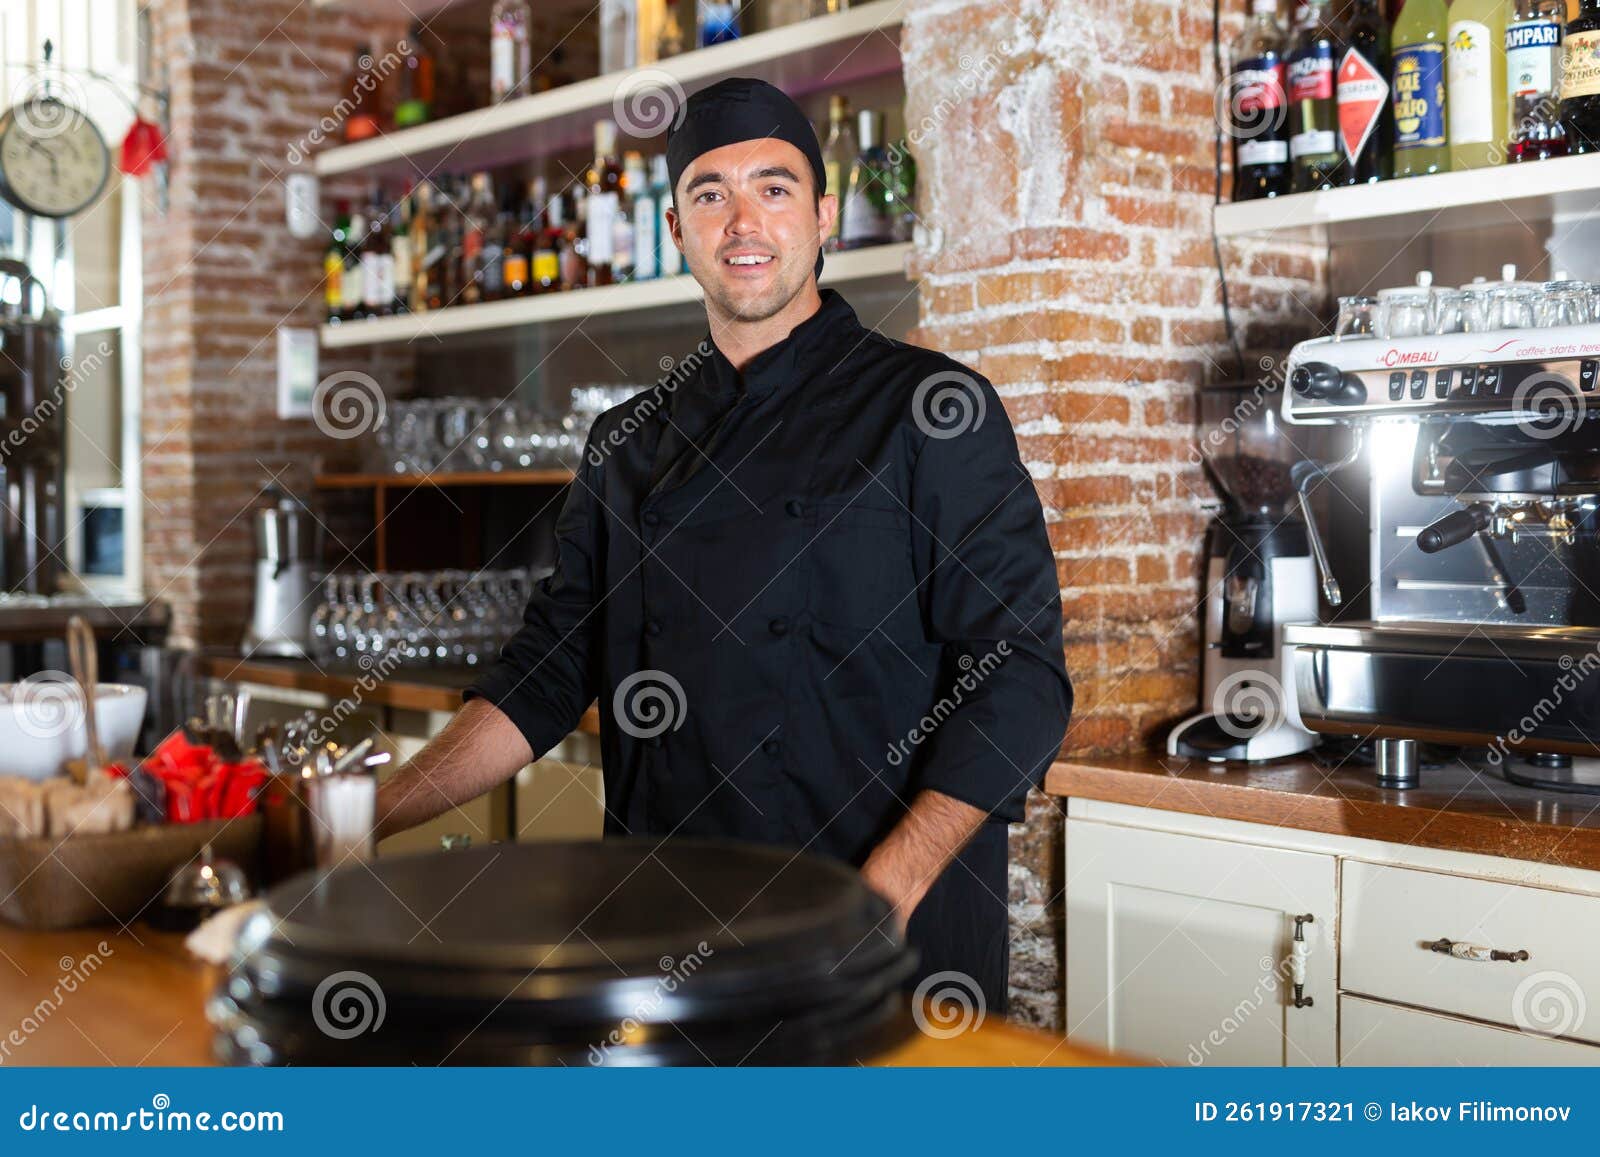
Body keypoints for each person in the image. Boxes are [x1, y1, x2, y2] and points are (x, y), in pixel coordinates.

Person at [376, 77, 1072, 1012]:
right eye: (711, 194)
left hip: (882, 945)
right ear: (676, 230)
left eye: (774, 188)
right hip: (670, 932)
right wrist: (365, 812)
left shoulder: (930, 412)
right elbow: (543, 677)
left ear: (824, 216)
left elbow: (1020, 676)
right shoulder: (626, 441)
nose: (744, 221)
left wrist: (886, 890)